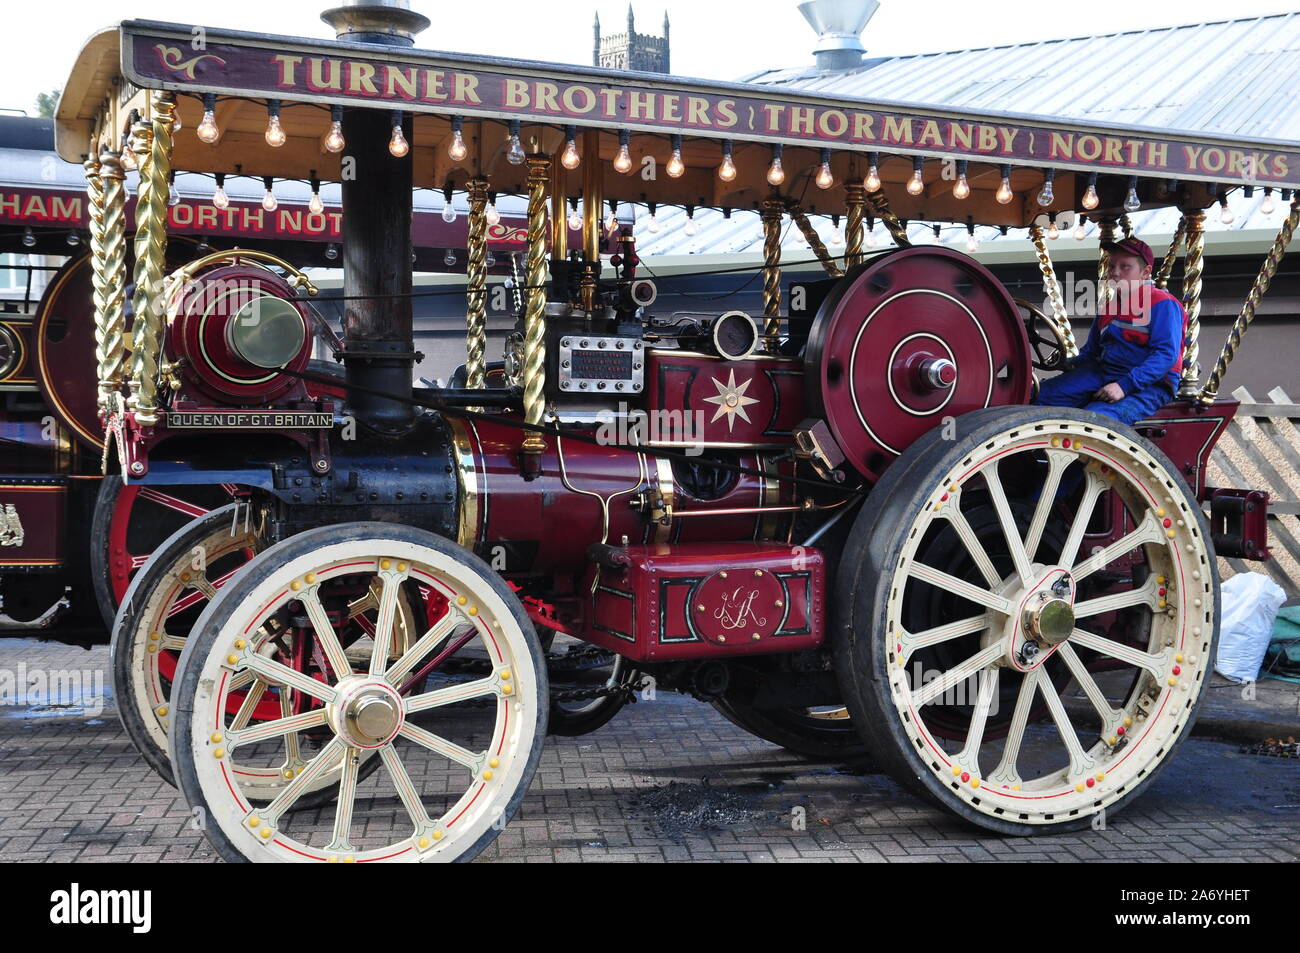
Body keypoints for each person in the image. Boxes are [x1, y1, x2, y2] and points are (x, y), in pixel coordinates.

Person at [1034, 237, 1186, 424]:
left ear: (1145, 273)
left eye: (1125, 267)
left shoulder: (1162, 304)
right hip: (1105, 372)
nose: (1115, 273)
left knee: (1096, 421)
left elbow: (1166, 355)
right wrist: (1067, 363)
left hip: (1152, 384)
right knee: (1037, 395)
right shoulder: (1109, 307)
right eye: (1112, 266)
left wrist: (1123, 386)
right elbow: (1092, 352)